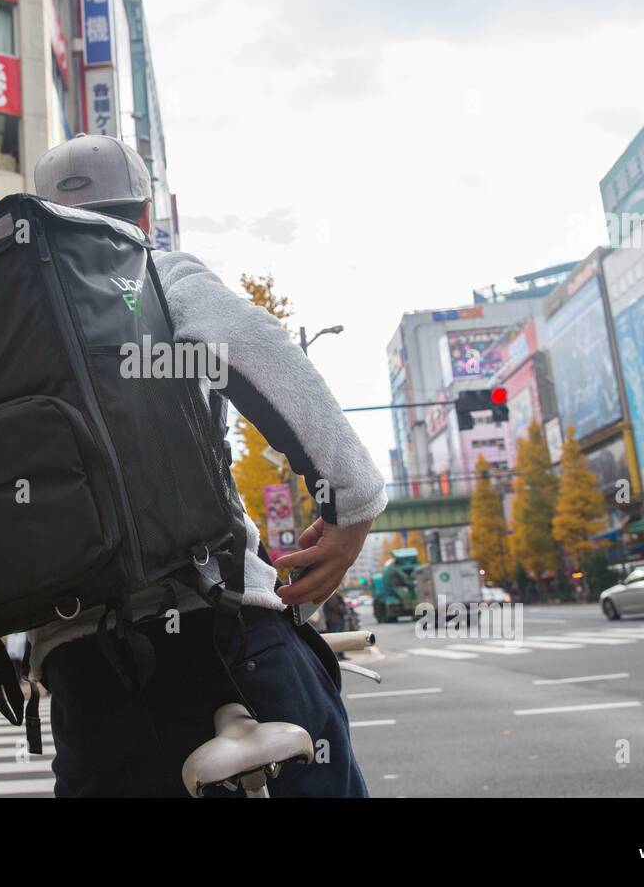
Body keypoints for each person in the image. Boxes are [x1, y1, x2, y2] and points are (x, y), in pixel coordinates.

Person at [29, 135, 387, 797]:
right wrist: (353, 503)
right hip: (222, 633)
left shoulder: (1, 333)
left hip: (82, 669)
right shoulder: (150, 275)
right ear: (142, 218)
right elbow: (254, 347)